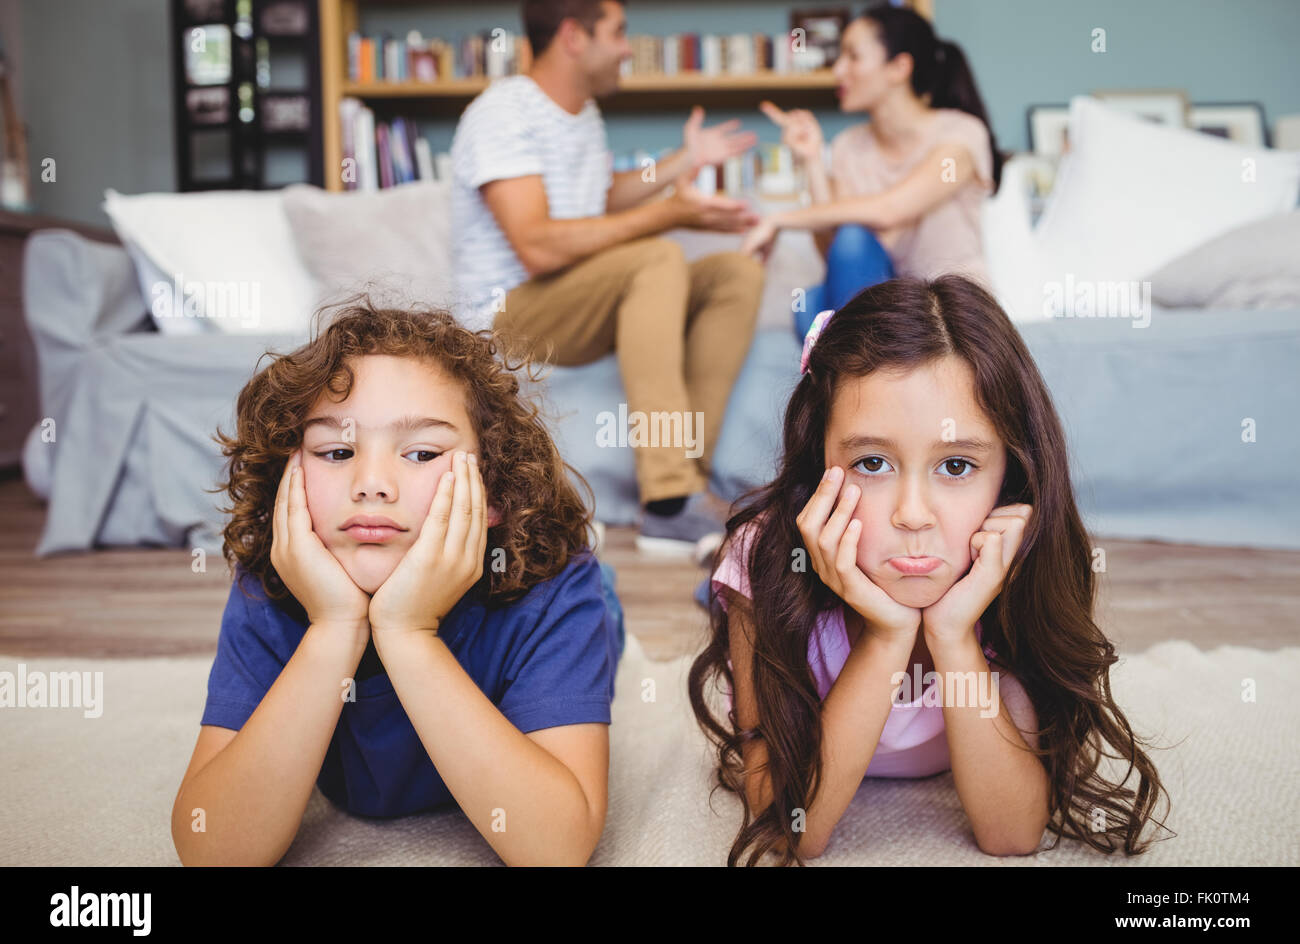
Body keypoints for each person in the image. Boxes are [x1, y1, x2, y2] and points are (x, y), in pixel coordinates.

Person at [687, 275, 1173, 866]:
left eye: (957, 466)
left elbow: (1012, 835)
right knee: (755, 554)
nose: (912, 515)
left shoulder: (1015, 562)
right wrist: (889, 635)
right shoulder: (761, 564)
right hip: (793, 574)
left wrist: (952, 633)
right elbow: (794, 832)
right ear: (820, 460)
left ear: (1011, 475)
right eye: (872, 462)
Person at [172, 299, 625, 866]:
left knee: (599, 596)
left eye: (420, 453)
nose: (372, 483)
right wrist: (334, 626)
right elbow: (213, 852)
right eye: (337, 451)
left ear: (495, 492)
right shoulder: (268, 589)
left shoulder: (553, 590)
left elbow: (555, 849)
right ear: (286, 480)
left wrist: (409, 632)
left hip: (545, 579)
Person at [450, 0, 766, 557]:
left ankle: (684, 483)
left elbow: (599, 199)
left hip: (574, 298)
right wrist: (670, 213)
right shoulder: (503, 113)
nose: (627, 48)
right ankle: (669, 498)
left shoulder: (582, 113)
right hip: (502, 314)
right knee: (657, 257)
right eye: (618, 33)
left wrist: (681, 163)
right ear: (574, 36)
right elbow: (539, 244)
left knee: (732, 274)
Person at [740, 3, 1005, 342]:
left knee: (817, 311)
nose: (838, 70)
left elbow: (889, 210)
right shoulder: (850, 146)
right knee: (815, 295)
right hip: (890, 308)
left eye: (852, 56)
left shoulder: (961, 133)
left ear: (898, 67)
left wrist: (778, 219)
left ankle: (852, 358)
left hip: (954, 311)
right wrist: (812, 162)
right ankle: (862, 364)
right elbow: (838, 252)